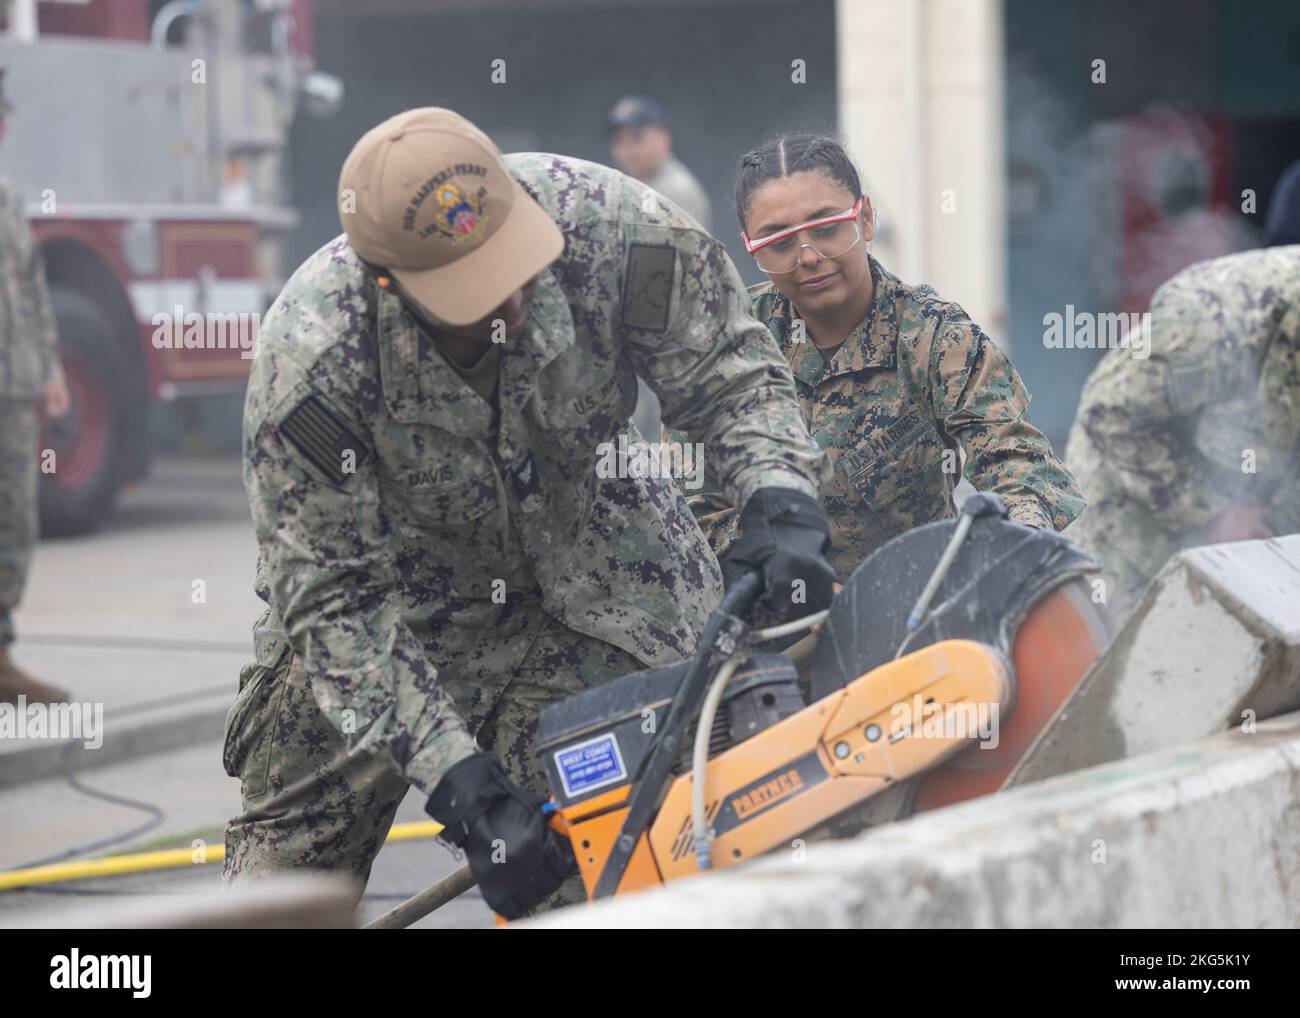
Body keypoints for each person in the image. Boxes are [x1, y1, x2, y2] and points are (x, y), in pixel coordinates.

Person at [221, 107, 834, 919]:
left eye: (511, 264)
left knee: (669, 848)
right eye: (469, 295)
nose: (508, 300)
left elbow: (728, 373)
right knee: (278, 891)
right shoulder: (313, 364)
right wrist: (461, 786)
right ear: (387, 283)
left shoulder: (613, 227)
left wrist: (778, 491)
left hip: (599, 552)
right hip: (397, 608)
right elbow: (334, 603)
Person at [678, 134, 1083, 581]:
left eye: (827, 227)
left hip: (914, 616)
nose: (808, 257)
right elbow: (688, 512)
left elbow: (1016, 460)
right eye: (779, 242)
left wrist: (1014, 539)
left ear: (865, 219)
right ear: (751, 247)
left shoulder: (934, 336)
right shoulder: (725, 347)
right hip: (771, 622)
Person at [1064, 245, 1300, 620]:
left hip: (1253, 533)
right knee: (1135, 666)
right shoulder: (1212, 318)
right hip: (1129, 525)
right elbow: (1109, 413)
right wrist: (1213, 510)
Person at [0, 65, 71, 705]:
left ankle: (0, 656)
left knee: (13, 522)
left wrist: (47, 368)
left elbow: (29, 286)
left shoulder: (6, 196)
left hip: (11, 387)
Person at [607, 95, 711, 231]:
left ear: (663, 139)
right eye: (619, 140)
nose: (627, 149)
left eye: (636, 139)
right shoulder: (627, 184)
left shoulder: (676, 190)